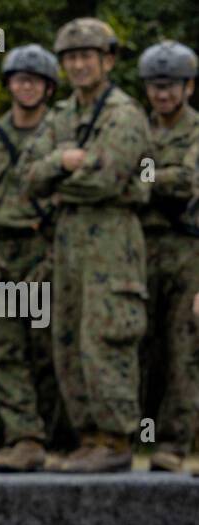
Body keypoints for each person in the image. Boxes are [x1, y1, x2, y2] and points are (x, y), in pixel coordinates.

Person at [24, 18, 151, 473]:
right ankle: (89, 438)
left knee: (106, 335)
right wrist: (61, 160)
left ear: (108, 60)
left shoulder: (125, 113)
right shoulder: (60, 116)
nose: (79, 64)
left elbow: (106, 178)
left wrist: (60, 182)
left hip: (112, 243)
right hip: (68, 244)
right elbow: (29, 177)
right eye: (71, 57)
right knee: (68, 338)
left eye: (87, 56)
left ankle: (115, 440)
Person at [0, 45, 62, 473]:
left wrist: (52, 263)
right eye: (19, 80)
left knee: (49, 348)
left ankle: (57, 436)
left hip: (47, 248)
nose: (26, 87)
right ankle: (24, 438)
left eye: (35, 81)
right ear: (9, 85)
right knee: (3, 349)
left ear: (48, 87)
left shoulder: (61, 133)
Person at [137, 40, 199, 473]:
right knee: (143, 343)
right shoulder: (139, 129)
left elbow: (188, 181)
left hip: (186, 247)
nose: (163, 94)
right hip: (141, 247)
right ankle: (139, 434)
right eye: (156, 86)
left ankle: (174, 442)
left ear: (188, 87)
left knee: (184, 346)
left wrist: (141, 177)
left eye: (171, 85)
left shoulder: (196, 131)